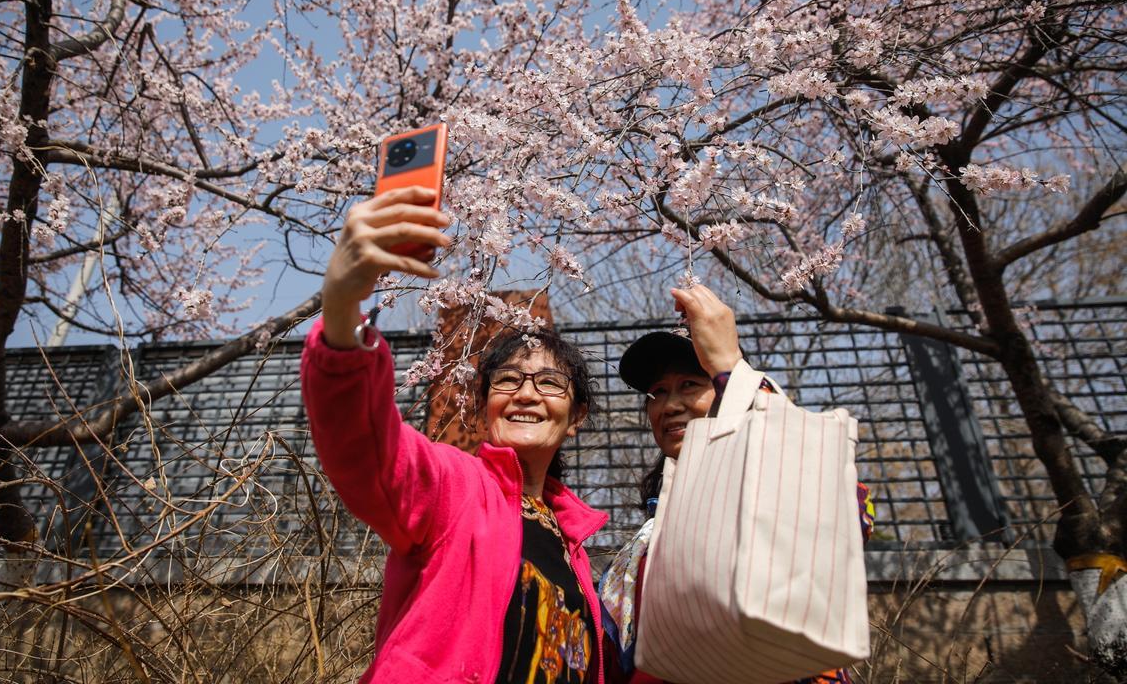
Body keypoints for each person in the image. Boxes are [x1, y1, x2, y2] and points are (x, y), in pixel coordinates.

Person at [301, 186, 609, 683]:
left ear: (576, 416)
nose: (526, 394)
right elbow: (367, 446)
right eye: (507, 381)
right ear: (485, 410)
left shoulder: (575, 543)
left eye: (549, 383)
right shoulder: (454, 487)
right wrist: (341, 310)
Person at [599, 285, 875, 684]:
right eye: (657, 392)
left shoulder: (797, 476)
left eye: (690, 385)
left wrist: (730, 366)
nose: (669, 405)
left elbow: (837, 515)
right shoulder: (648, 535)